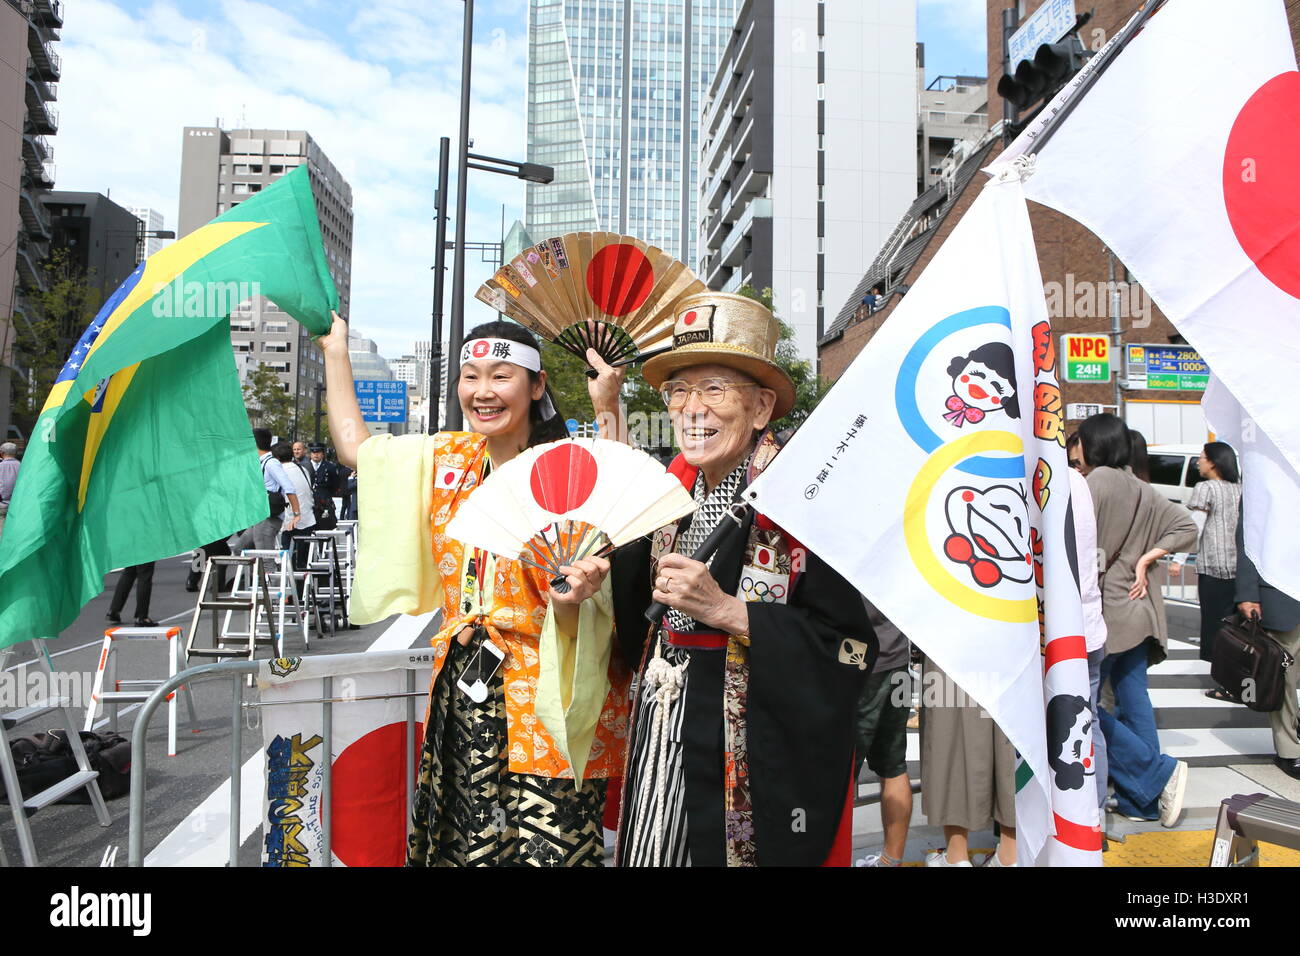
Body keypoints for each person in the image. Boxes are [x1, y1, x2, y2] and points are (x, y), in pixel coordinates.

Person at [317, 313, 630, 867]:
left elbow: (618, 494)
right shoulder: (451, 460)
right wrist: (334, 349)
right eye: (471, 375)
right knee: (466, 849)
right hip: (465, 691)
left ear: (536, 387)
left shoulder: (570, 470)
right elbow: (354, 449)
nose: (482, 391)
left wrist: (609, 404)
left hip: (550, 697)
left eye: (501, 376)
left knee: (549, 851)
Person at [592, 291, 876, 867]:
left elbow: (850, 651)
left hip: (744, 761)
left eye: (715, 390)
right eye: (679, 392)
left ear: (762, 408)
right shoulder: (668, 498)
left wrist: (729, 611)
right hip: (659, 743)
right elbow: (629, 616)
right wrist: (587, 583)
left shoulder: (800, 505)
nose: (693, 409)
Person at [1077, 413, 1197, 825]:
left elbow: (1075, 542)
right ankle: (1143, 801)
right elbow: (1185, 525)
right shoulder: (1140, 487)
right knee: (1134, 700)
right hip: (1140, 610)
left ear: (1092, 444)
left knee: (1085, 708)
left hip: (1109, 611)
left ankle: (1155, 771)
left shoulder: (1097, 482)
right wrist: (1148, 558)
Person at [919, 656, 1018, 867]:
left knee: (950, 724)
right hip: (1013, 632)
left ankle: (956, 855)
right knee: (1009, 733)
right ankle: (1011, 854)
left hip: (952, 632)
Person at [1169, 442, 1241, 698]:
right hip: (1240, 569)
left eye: (1201, 458)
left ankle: (1227, 684)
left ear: (1214, 462)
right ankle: (1241, 682)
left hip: (1214, 567)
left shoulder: (1206, 488)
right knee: (1238, 628)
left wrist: (1178, 558)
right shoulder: (1240, 489)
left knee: (1215, 626)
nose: (1198, 462)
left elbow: (1195, 527)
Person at [1234, 516, 1300, 780]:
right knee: (1282, 675)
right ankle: (1289, 749)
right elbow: (1250, 537)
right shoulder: (1269, 475)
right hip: (1280, 594)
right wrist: (1247, 592)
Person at [854, 600, 913, 868]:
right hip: (896, 657)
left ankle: (835, 858)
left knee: (837, 773)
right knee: (893, 766)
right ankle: (890, 862)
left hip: (853, 661)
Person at [1068, 463, 1109, 814]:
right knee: (1088, 720)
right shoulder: (1076, 480)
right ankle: (1091, 818)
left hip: (1053, 632)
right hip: (1089, 626)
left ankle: (1055, 820)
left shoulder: (1033, 478)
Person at [231, 428, 301, 553]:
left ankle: (267, 572)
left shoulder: (271, 463)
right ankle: (255, 573)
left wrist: (296, 514)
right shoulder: (261, 462)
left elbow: (289, 487)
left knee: (265, 559)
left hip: (269, 518)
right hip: (259, 517)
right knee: (239, 549)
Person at [274, 441, 315, 569]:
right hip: (308, 519)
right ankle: (304, 587)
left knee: (288, 563)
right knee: (302, 563)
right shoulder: (302, 469)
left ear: (277, 458)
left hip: (290, 522)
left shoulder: (279, 472)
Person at [306, 444, 345, 531]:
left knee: (327, 527)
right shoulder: (305, 466)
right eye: (313, 452)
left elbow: (336, 484)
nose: (316, 455)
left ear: (323, 454)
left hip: (324, 501)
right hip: (309, 501)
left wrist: (327, 495)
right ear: (310, 454)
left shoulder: (330, 467)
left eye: (318, 452)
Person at [0, 441, 19, 541]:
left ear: (2, 453)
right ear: (15, 453)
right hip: (18, 506)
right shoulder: (22, 466)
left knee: (2, 536)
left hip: (2, 506)